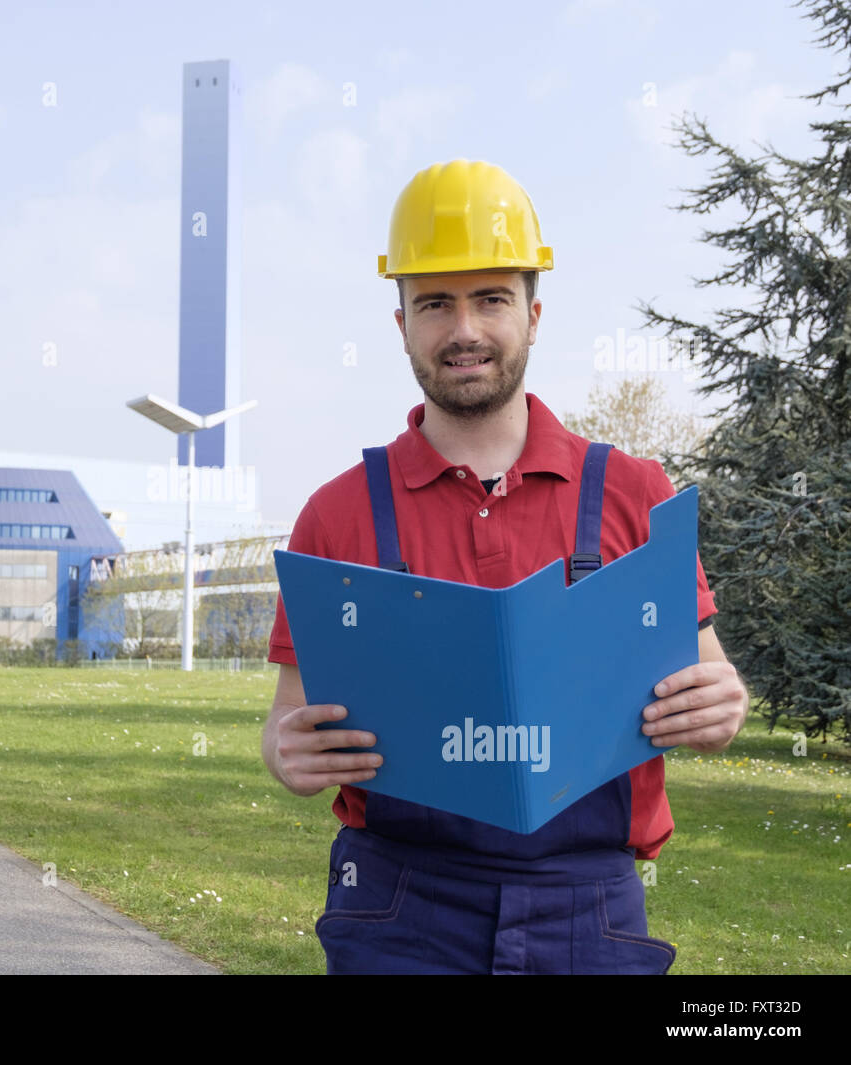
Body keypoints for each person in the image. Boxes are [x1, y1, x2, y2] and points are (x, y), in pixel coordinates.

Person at [262, 159, 749, 975]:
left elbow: (707, 680)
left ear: (533, 312)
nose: (465, 329)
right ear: (402, 322)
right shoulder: (335, 514)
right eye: (436, 303)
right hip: (398, 902)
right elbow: (285, 725)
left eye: (491, 298)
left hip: (589, 904)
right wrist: (289, 755)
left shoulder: (635, 493)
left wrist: (721, 702)